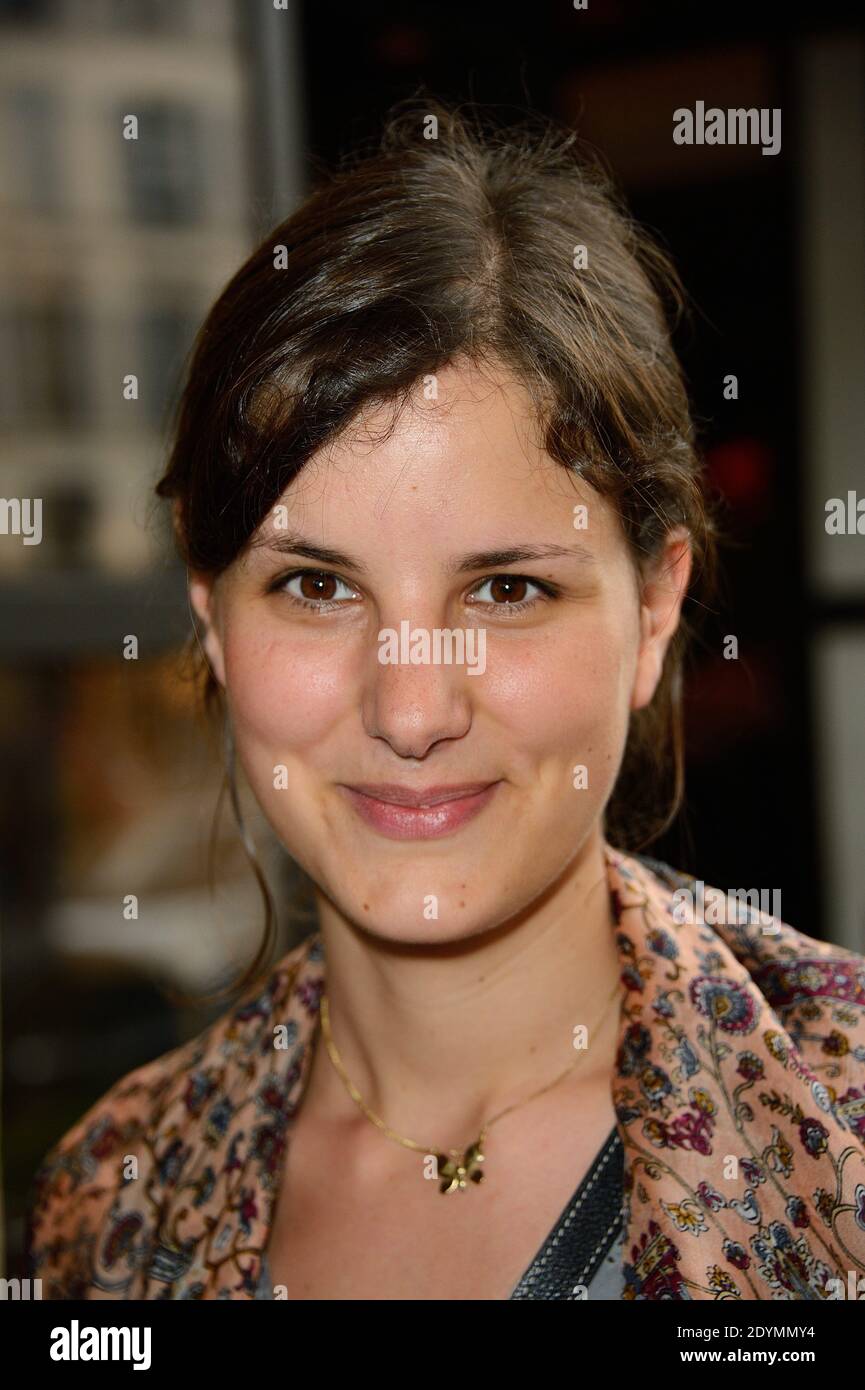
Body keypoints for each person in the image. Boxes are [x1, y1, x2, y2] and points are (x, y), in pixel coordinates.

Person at [25, 98, 865, 1301]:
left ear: (657, 609)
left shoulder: (836, 1134)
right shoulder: (111, 1202)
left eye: (507, 588)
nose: (410, 709)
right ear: (210, 611)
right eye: (316, 585)